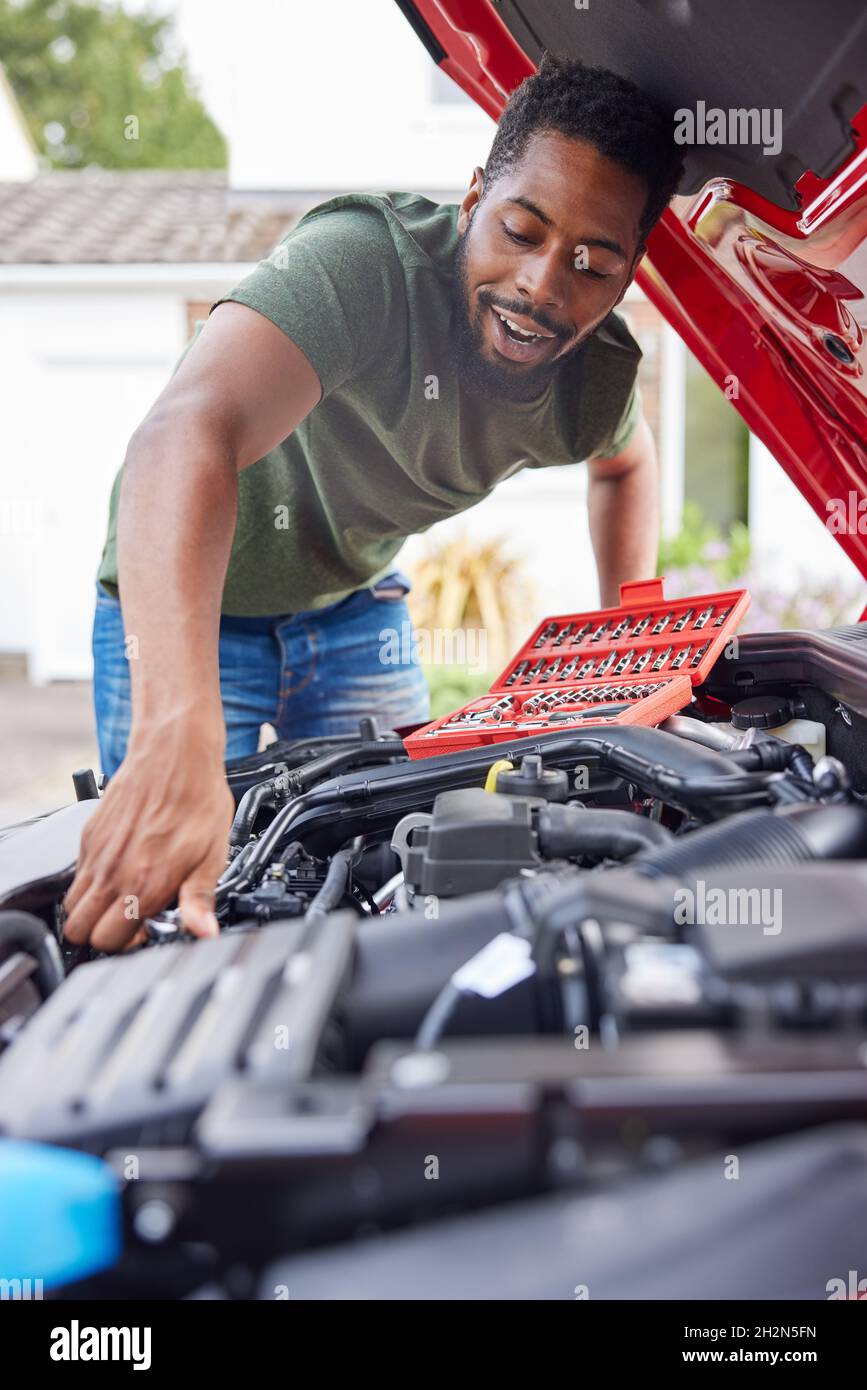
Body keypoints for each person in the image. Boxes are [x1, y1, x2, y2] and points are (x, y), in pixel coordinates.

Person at [64, 54, 683, 950]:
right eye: (520, 229)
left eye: (592, 262)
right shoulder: (363, 266)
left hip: (353, 608)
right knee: (169, 892)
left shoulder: (589, 383)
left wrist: (631, 639)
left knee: (400, 864)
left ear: (626, 275)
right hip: (187, 608)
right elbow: (181, 434)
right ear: (473, 199)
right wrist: (178, 730)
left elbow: (624, 464)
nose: (542, 285)